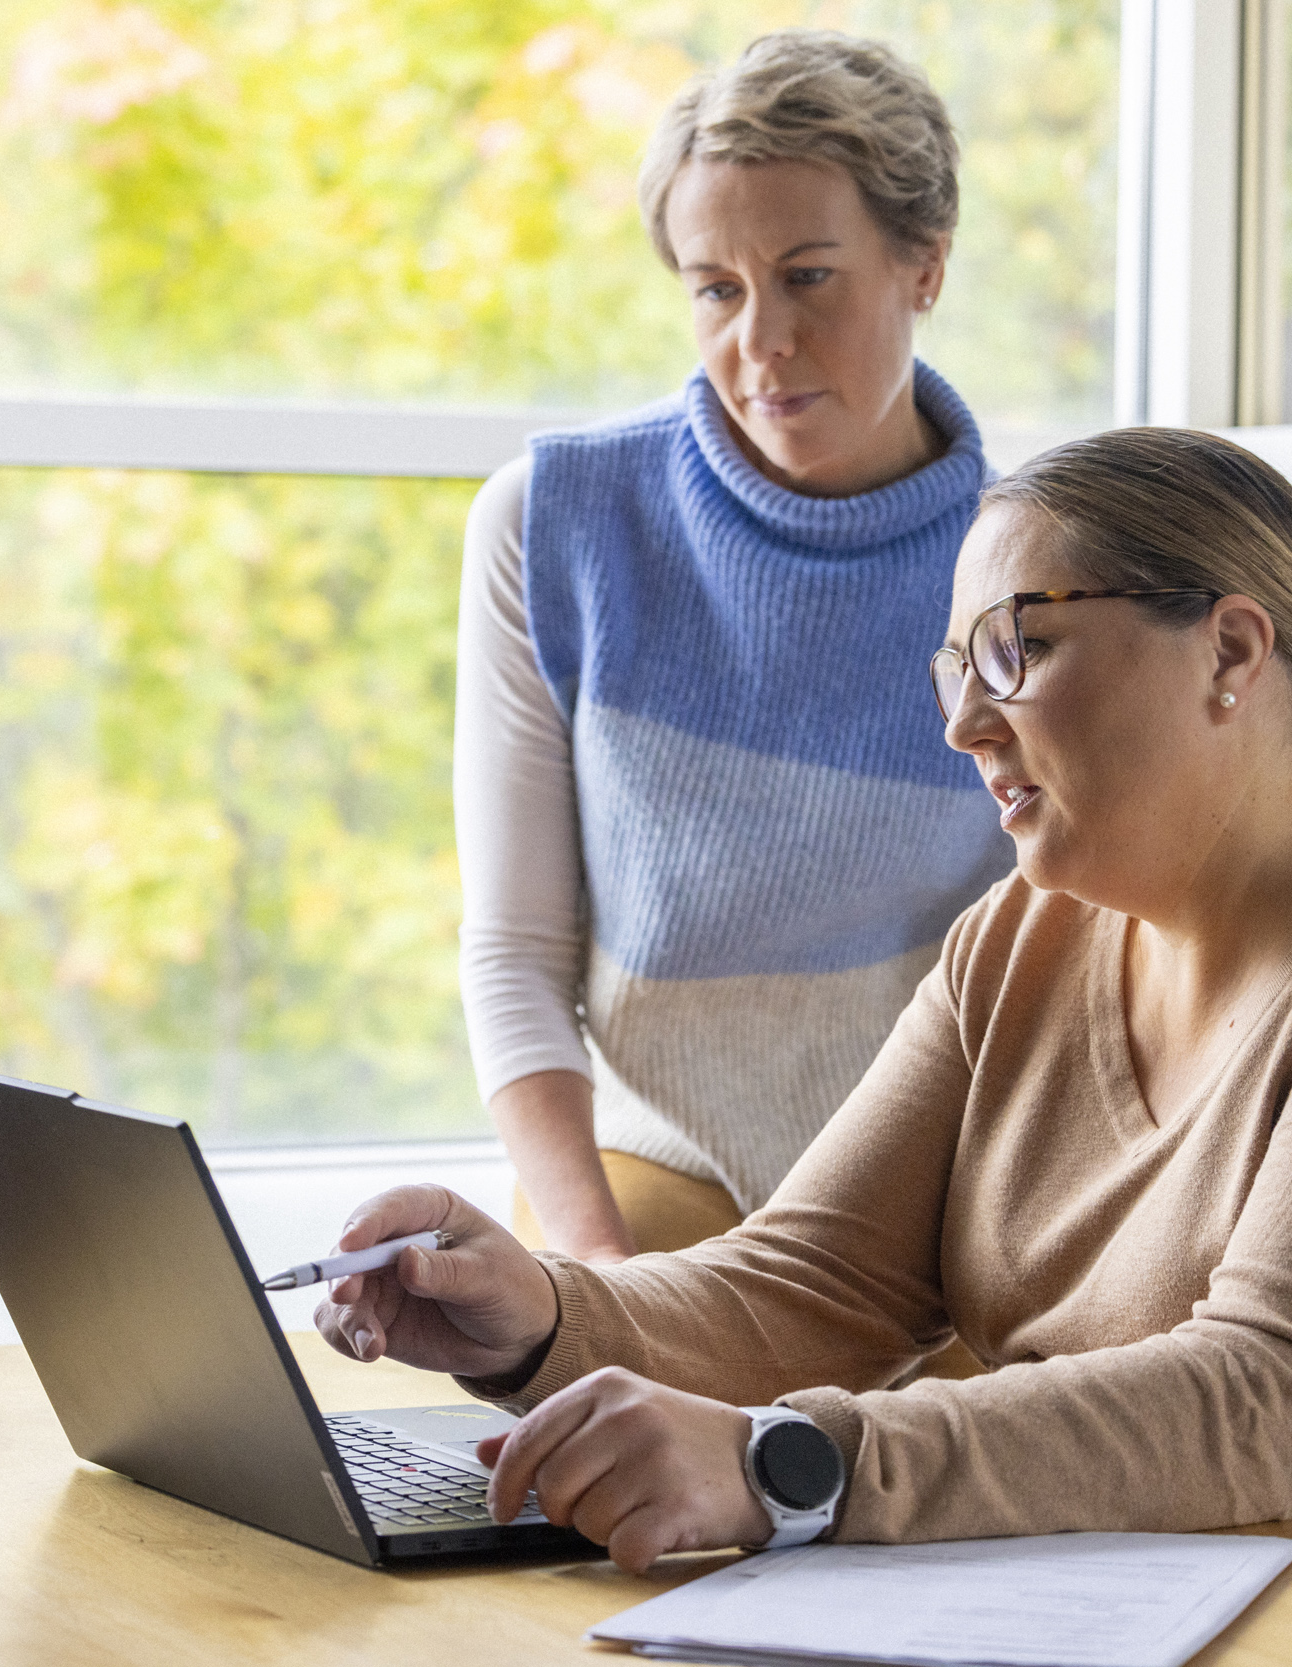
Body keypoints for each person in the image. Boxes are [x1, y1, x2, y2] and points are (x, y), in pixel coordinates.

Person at [324, 428, 1292, 1645]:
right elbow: (816, 1280)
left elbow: (1263, 1402)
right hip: (1171, 1603)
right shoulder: (1022, 936)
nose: (963, 723)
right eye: (954, 667)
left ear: (1230, 650)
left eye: (1016, 649)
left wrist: (786, 1461)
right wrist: (543, 1313)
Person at [457, 29, 1014, 1265]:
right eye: (716, 288)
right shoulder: (552, 527)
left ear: (923, 264)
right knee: (601, 1366)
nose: (762, 340)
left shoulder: (1029, 566)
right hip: (654, 1173)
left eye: (808, 277)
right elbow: (514, 954)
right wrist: (597, 1274)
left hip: (937, 1187)